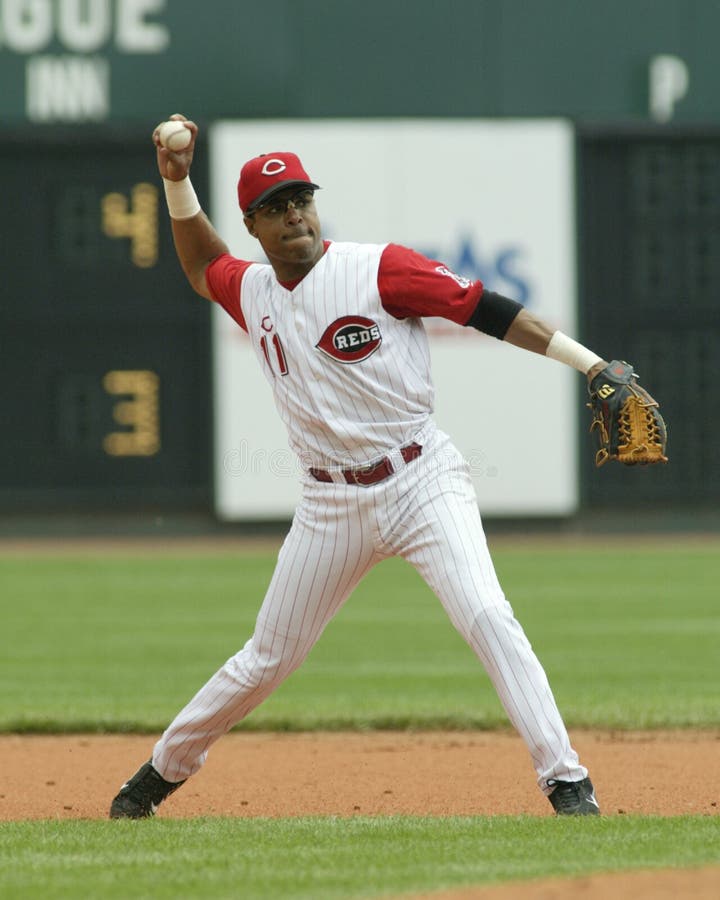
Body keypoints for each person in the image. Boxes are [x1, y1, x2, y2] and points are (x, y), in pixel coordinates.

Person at [110, 114, 606, 819]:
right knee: (267, 657)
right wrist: (178, 182)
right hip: (329, 507)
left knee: (488, 615)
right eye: (276, 210)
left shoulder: (376, 269)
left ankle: (567, 782)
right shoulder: (252, 291)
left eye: (302, 201)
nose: (295, 217)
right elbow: (199, 266)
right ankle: (157, 777)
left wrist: (588, 365)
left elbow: (484, 309)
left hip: (420, 479)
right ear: (253, 225)